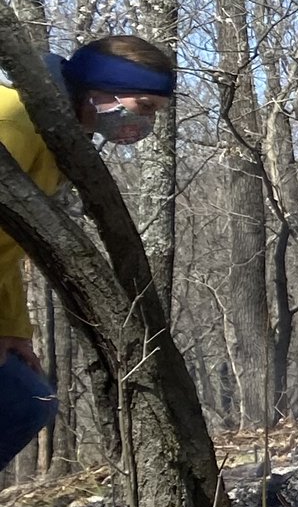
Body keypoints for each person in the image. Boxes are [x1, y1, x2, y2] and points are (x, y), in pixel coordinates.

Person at [0, 36, 177, 468]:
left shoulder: (56, 139)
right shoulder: (13, 122)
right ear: (104, 90)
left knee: (27, 401)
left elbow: (7, 250)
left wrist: (14, 329)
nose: (149, 122)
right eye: (146, 106)